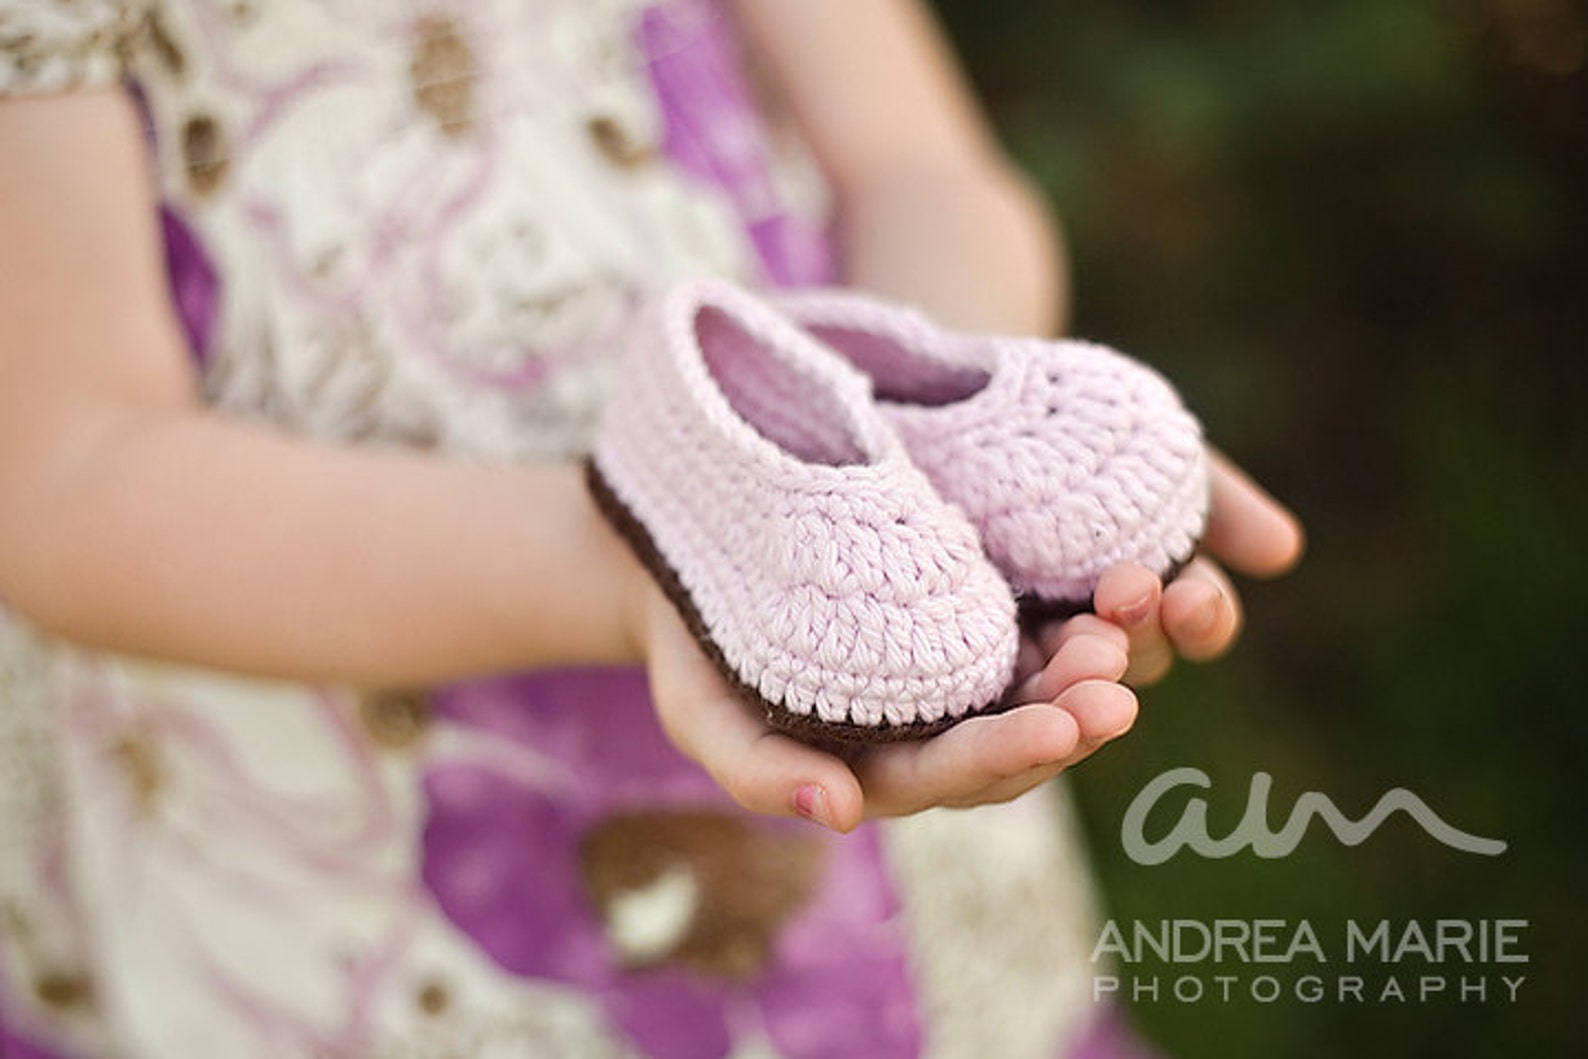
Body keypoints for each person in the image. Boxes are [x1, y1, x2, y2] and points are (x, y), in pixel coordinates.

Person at [0, 1, 1302, 1056]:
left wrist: (932, 433)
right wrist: (635, 566)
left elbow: (917, 161)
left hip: (838, 556)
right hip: (349, 796)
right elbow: (66, 479)